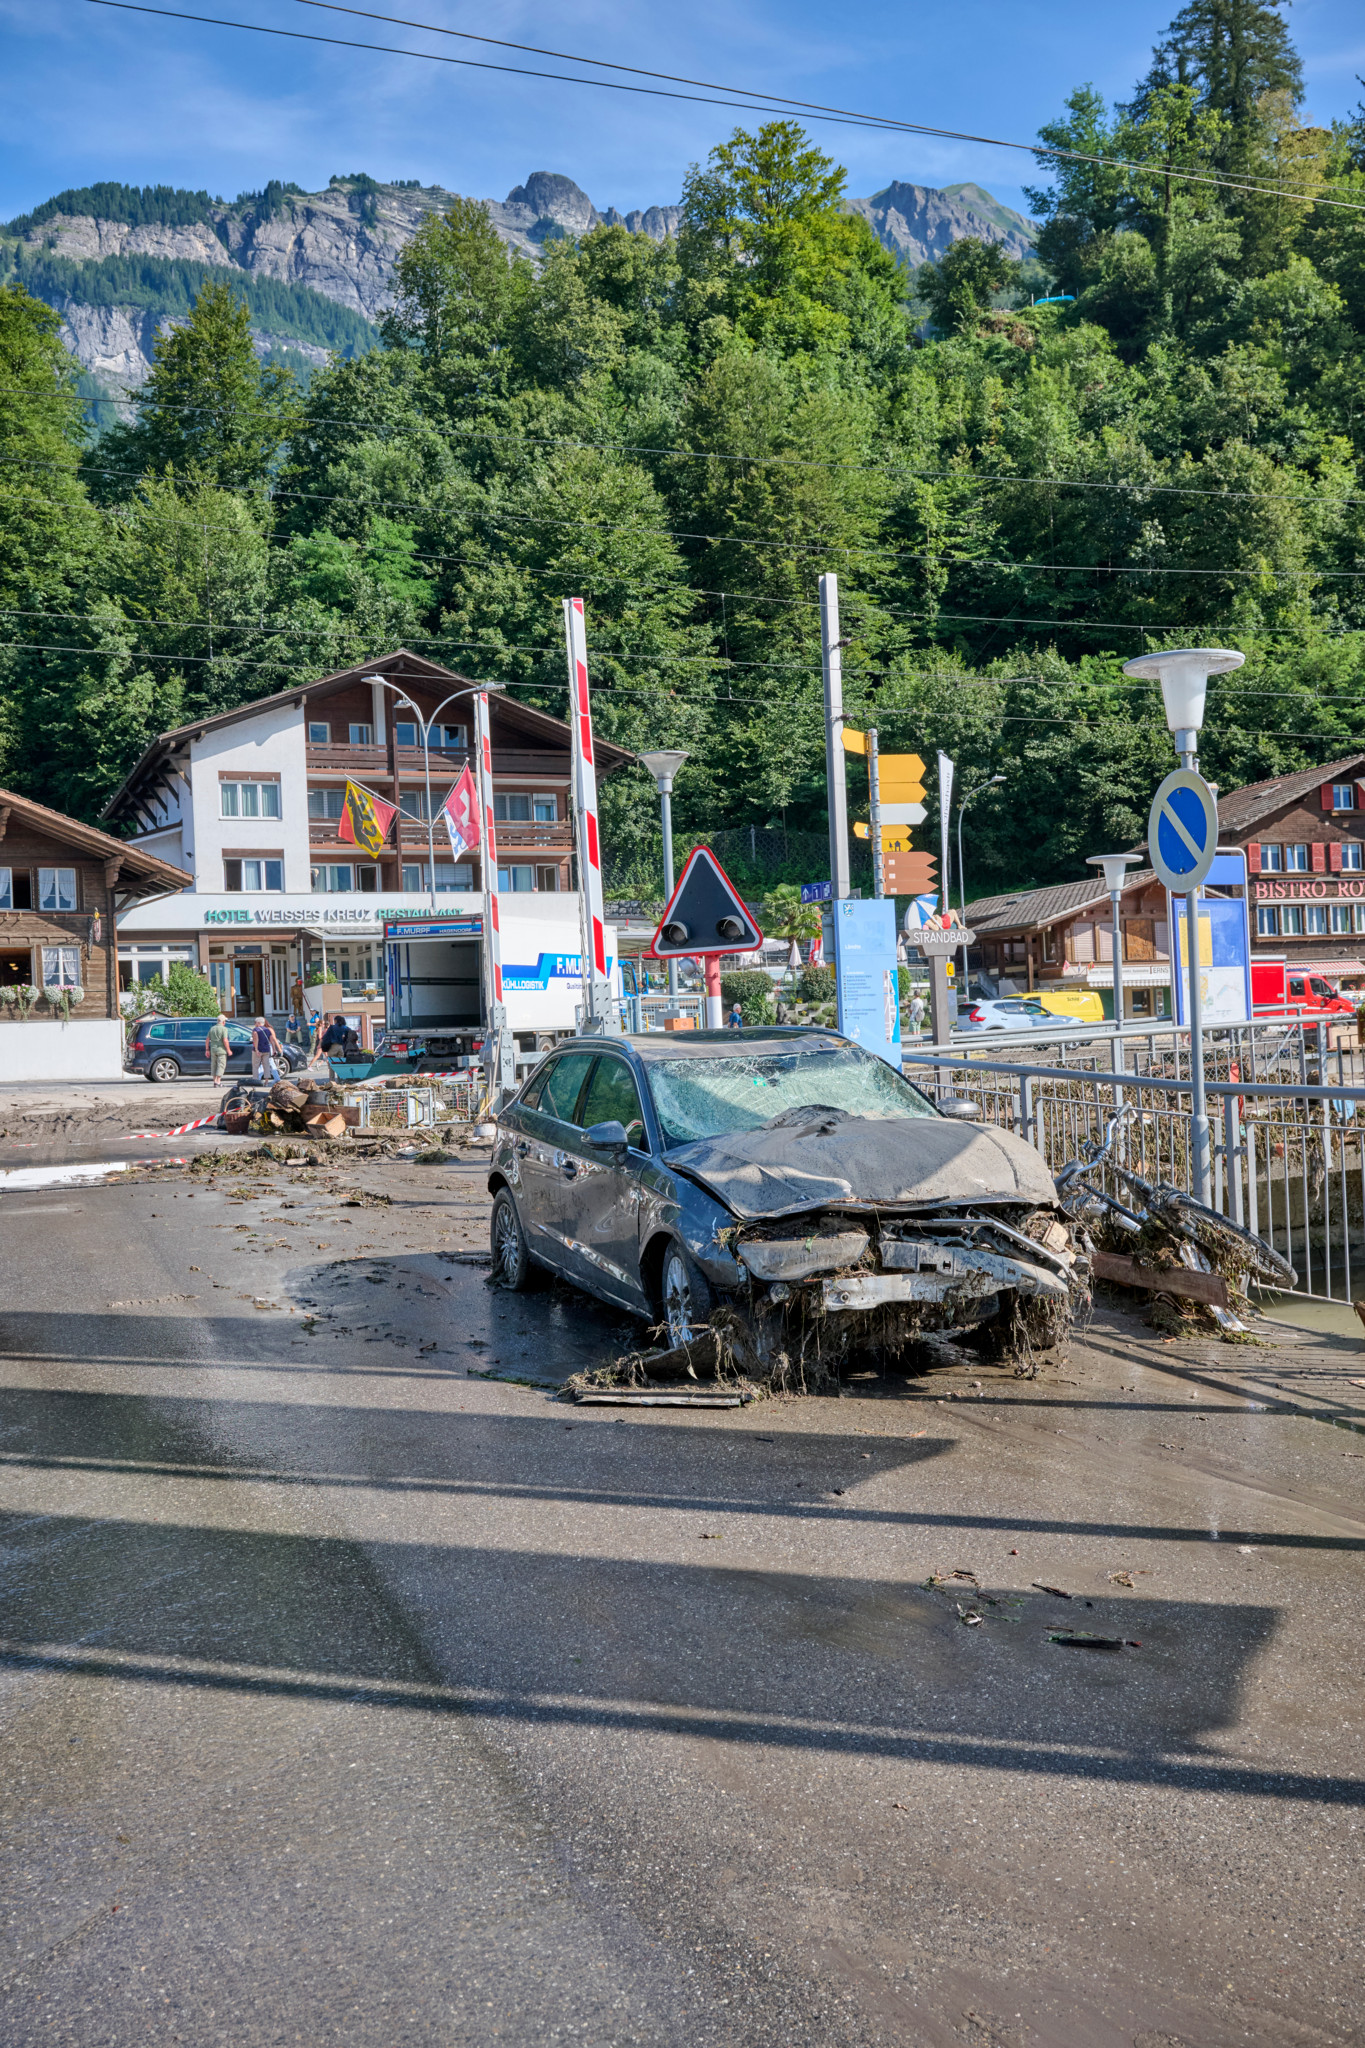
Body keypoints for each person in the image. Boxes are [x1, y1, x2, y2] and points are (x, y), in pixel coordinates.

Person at [251, 1014, 281, 1084]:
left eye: (255, 1023)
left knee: (255, 1065)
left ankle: (256, 1080)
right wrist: (274, 1049)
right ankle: (266, 1081)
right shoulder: (268, 1030)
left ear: (258, 1023)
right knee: (266, 1065)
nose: (255, 1024)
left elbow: (256, 1039)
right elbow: (272, 1040)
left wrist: (256, 1049)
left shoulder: (256, 1030)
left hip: (259, 1050)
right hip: (266, 1049)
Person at [206, 1011, 231, 1086]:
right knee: (221, 1065)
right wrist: (228, 1050)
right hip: (221, 1049)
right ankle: (218, 1081)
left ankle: (214, 1081)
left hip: (213, 1049)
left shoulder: (212, 1028)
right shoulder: (224, 1029)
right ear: (223, 1022)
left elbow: (207, 1040)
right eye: (225, 1021)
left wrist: (207, 1049)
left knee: (214, 1065)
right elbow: (225, 1040)